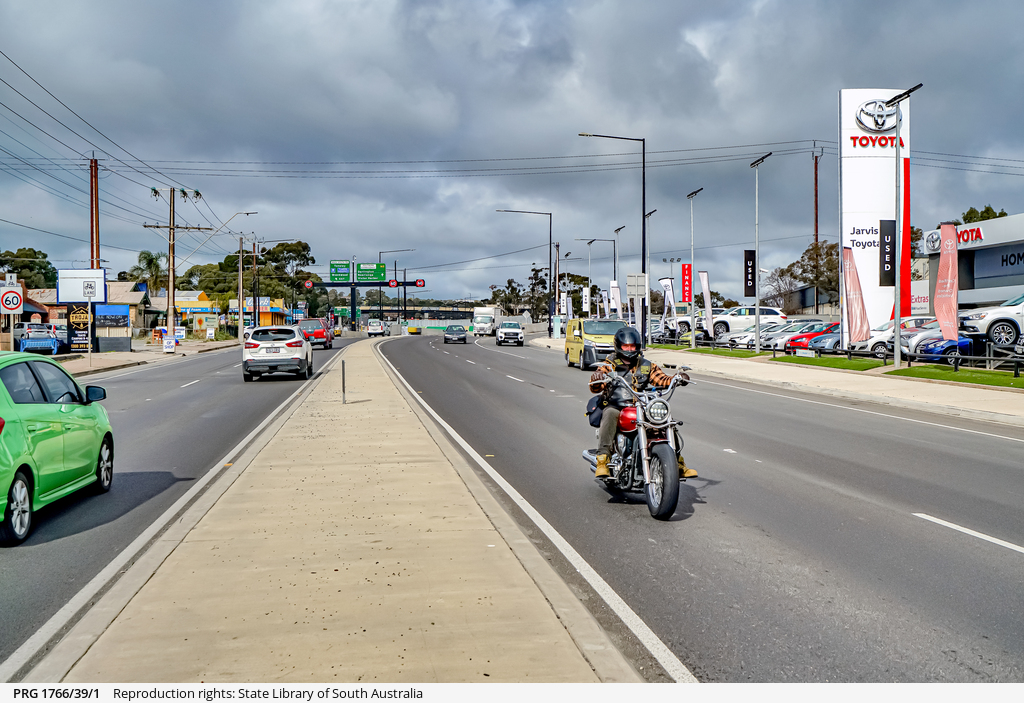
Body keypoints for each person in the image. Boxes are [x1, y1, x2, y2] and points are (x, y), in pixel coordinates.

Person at [588, 326, 698, 480]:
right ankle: (603, 461)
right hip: (618, 406)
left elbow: (662, 379)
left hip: (642, 405)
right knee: (610, 413)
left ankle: (677, 464)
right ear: (619, 346)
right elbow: (596, 386)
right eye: (626, 346)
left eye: (632, 346)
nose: (629, 349)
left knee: (666, 421)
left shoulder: (647, 365)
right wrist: (597, 377)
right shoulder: (609, 364)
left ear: (638, 346)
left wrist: (677, 378)